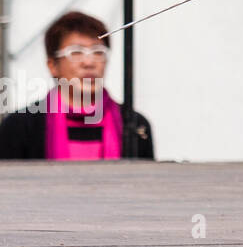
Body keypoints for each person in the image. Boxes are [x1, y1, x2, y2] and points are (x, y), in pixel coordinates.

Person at [0, 11, 154, 160]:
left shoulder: (135, 125)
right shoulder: (20, 127)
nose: (89, 62)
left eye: (98, 52)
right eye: (76, 52)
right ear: (52, 65)